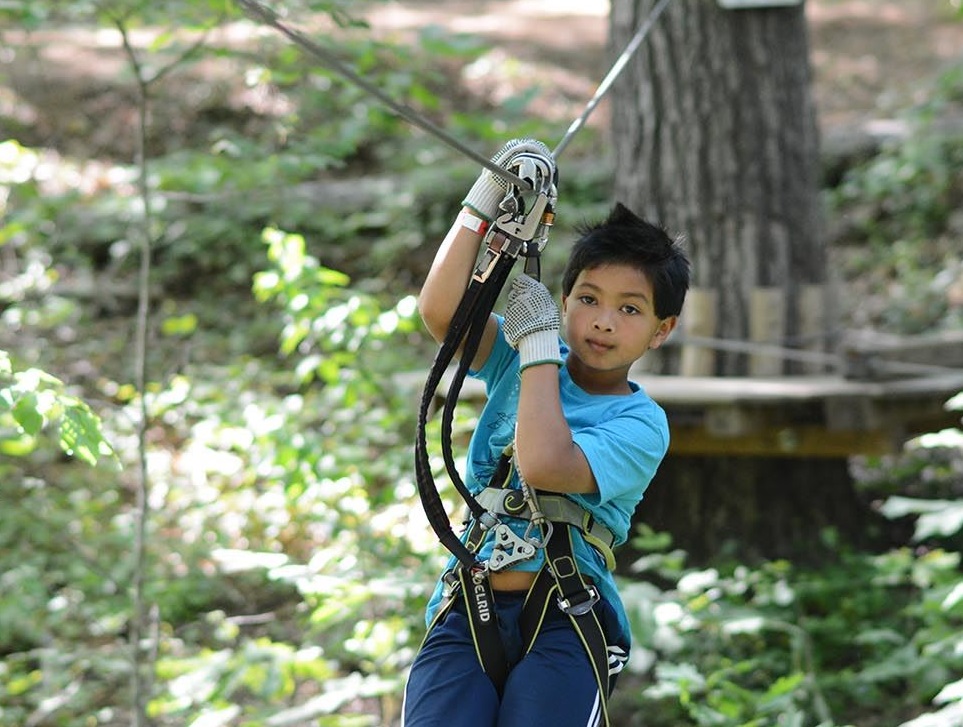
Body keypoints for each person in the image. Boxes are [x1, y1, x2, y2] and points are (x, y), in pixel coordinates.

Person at [402, 138, 690, 727]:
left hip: (565, 614)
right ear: (564, 301)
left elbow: (544, 464)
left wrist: (537, 348)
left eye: (630, 310)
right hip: (471, 597)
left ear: (662, 330)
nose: (603, 321)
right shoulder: (520, 358)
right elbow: (442, 312)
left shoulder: (639, 422)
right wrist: (482, 207)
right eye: (587, 299)